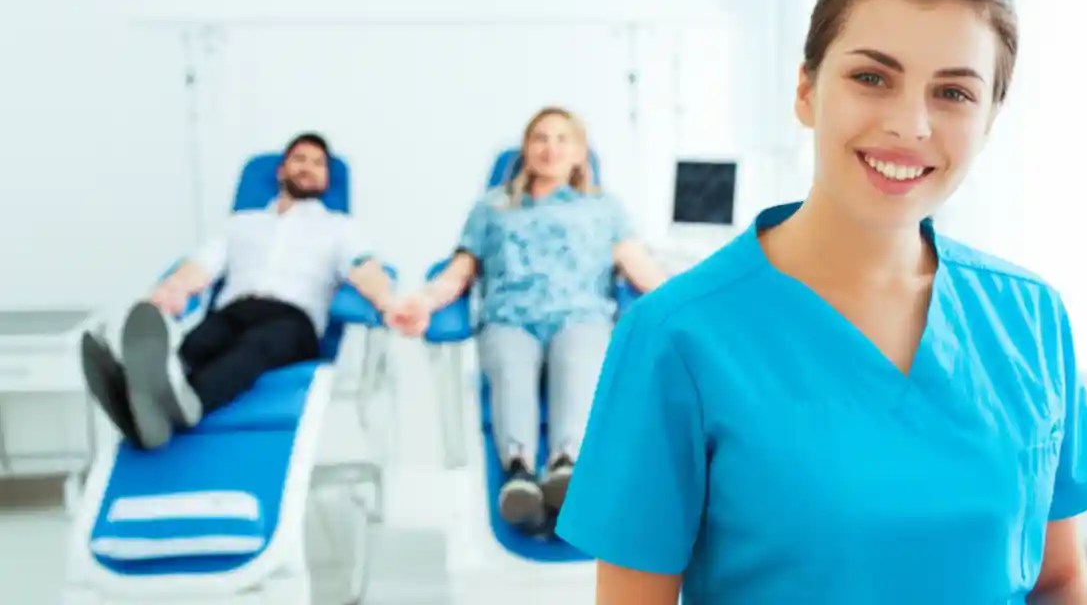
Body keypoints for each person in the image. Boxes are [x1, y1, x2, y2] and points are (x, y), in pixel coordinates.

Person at [554, 0, 1087, 604]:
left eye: (954, 93)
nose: (910, 124)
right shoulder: (677, 337)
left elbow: (1060, 582)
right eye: (871, 77)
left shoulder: (1029, 319)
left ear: (990, 119)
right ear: (806, 89)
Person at [389, 106, 666, 532]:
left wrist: (698, 302)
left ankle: (565, 467)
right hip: (509, 318)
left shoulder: (603, 209)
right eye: (540, 138)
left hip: (580, 315)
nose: (549, 148)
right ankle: (518, 472)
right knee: (511, 373)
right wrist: (422, 302)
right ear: (525, 149)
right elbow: (459, 272)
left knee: (578, 364)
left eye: (562, 139)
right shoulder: (492, 208)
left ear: (580, 154)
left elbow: (641, 269)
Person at [81, 132, 396, 450]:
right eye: (299, 159)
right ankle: (143, 411)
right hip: (233, 312)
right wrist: (169, 292)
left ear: (327, 178)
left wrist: (387, 304)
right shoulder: (240, 224)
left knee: (253, 348)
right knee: (198, 344)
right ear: (281, 171)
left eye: (318, 163)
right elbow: (200, 268)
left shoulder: (340, 228)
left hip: (293, 322)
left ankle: (182, 405)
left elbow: (364, 269)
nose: (308, 167)